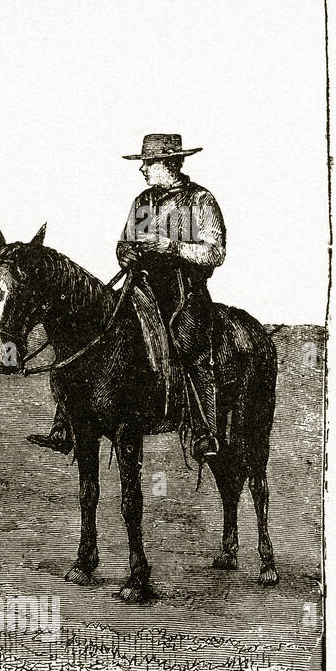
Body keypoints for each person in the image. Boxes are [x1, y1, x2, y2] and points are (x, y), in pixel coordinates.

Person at [27, 133, 225, 460]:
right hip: (141, 287)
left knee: (189, 346)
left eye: (149, 164)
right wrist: (127, 253)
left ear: (170, 164)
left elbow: (215, 252)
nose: (144, 170)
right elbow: (124, 243)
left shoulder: (200, 201)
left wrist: (171, 247)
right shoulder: (143, 202)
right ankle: (65, 420)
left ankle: (204, 428)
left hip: (183, 292)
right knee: (95, 331)